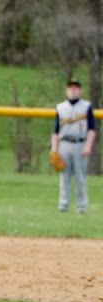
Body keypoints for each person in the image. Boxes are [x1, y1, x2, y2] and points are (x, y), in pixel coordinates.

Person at [52, 79, 95, 213]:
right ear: (67, 90)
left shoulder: (87, 106)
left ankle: (82, 207)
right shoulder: (60, 107)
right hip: (64, 144)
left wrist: (88, 146)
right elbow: (56, 131)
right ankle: (63, 205)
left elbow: (92, 129)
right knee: (64, 177)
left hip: (80, 144)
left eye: (76, 87)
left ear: (80, 91)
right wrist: (54, 148)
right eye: (71, 87)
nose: (73, 90)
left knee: (80, 178)